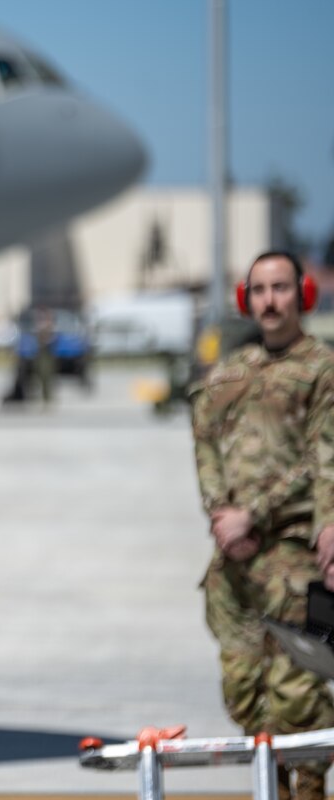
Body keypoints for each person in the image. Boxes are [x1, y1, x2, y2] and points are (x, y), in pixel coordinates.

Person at [190, 251, 334, 800]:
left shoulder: (321, 368)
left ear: (303, 296)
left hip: (294, 553)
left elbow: (322, 460)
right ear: (245, 299)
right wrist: (222, 515)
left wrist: (256, 513)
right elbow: (204, 441)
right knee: (244, 691)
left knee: (296, 692)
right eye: (260, 290)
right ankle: (269, 788)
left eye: (281, 289)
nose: (270, 301)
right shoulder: (230, 372)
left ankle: (312, 790)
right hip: (236, 559)